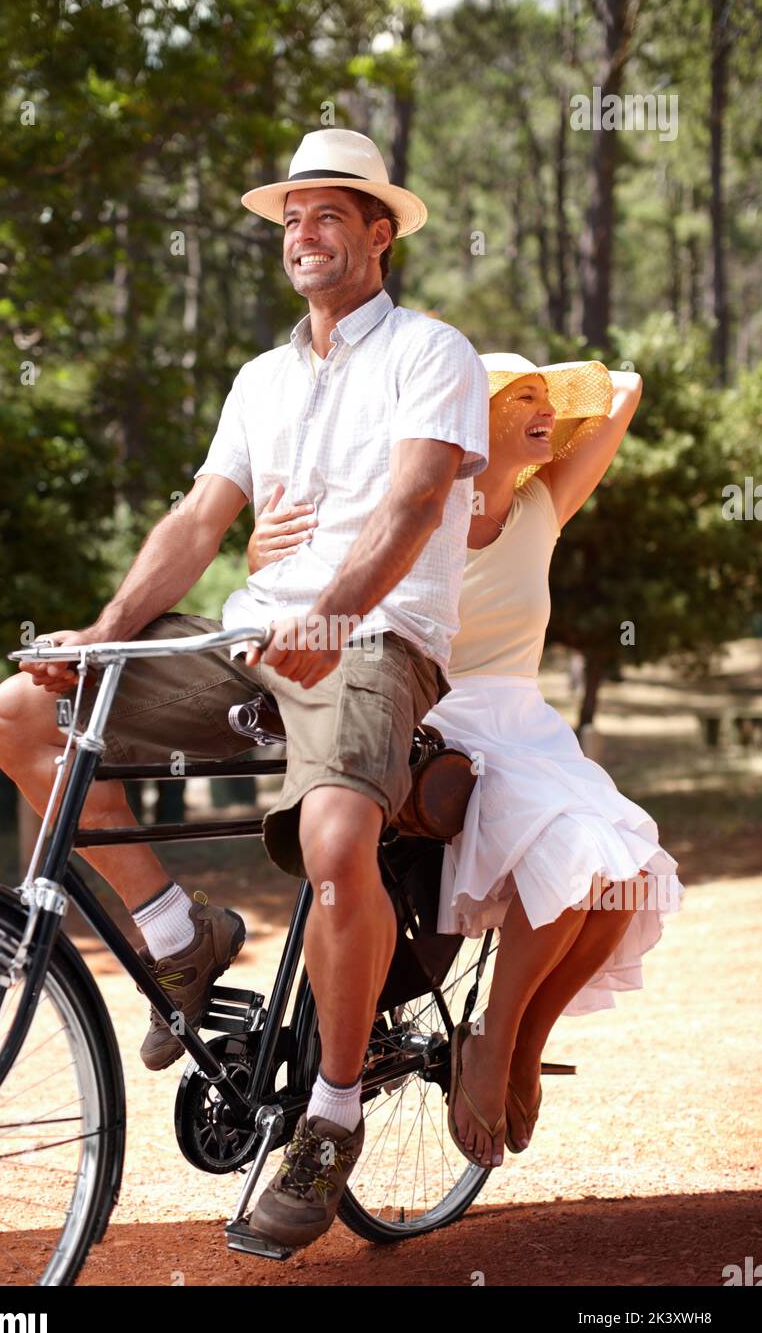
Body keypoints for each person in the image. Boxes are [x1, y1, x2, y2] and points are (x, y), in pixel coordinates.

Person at [0, 127, 489, 1250]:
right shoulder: (260, 378)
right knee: (18, 709)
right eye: (289, 218)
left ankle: (329, 1121)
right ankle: (177, 932)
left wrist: (334, 612)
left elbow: (408, 511)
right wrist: (101, 634)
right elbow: (199, 519)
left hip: (374, 643)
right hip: (245, 641)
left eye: (326, 215)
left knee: (336, 835)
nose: (302, 234)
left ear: (378, 232)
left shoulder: (432, 352)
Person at [247, 352, 682, 1177]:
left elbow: (626, 389)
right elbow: (302, 568)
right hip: (438, 716)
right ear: (469, 422)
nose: (546, 406)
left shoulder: (544, 502)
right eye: (523, 396)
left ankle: (512, 1040)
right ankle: (492, 1044)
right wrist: (261, 546)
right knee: (577, 858)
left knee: (626, 878)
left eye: (548, 397)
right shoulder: (414, 510)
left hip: (528, 726)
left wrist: (540, 388)